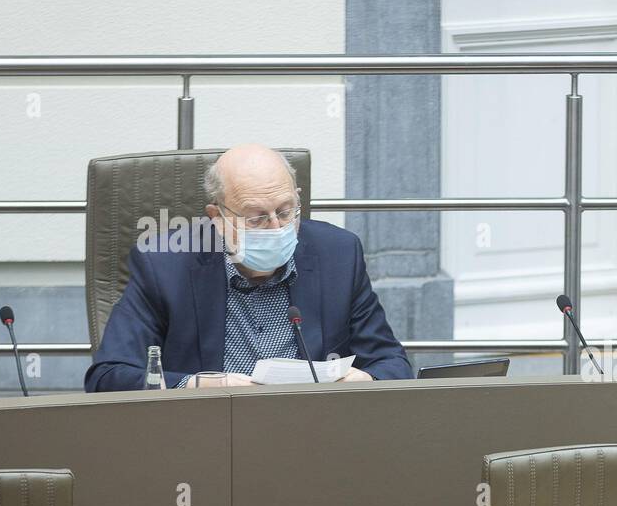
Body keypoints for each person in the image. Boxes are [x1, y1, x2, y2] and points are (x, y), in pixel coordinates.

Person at [85, 143, 412, 391]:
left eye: (286, 212)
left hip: (314, 436)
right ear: (218, 218)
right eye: (256, 218)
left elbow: (393, 364)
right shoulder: (163, 264)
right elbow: (108, 376)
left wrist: (365, 378)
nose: (276, 228)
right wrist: (196, 386)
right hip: (207, 434)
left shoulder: (339, 254)